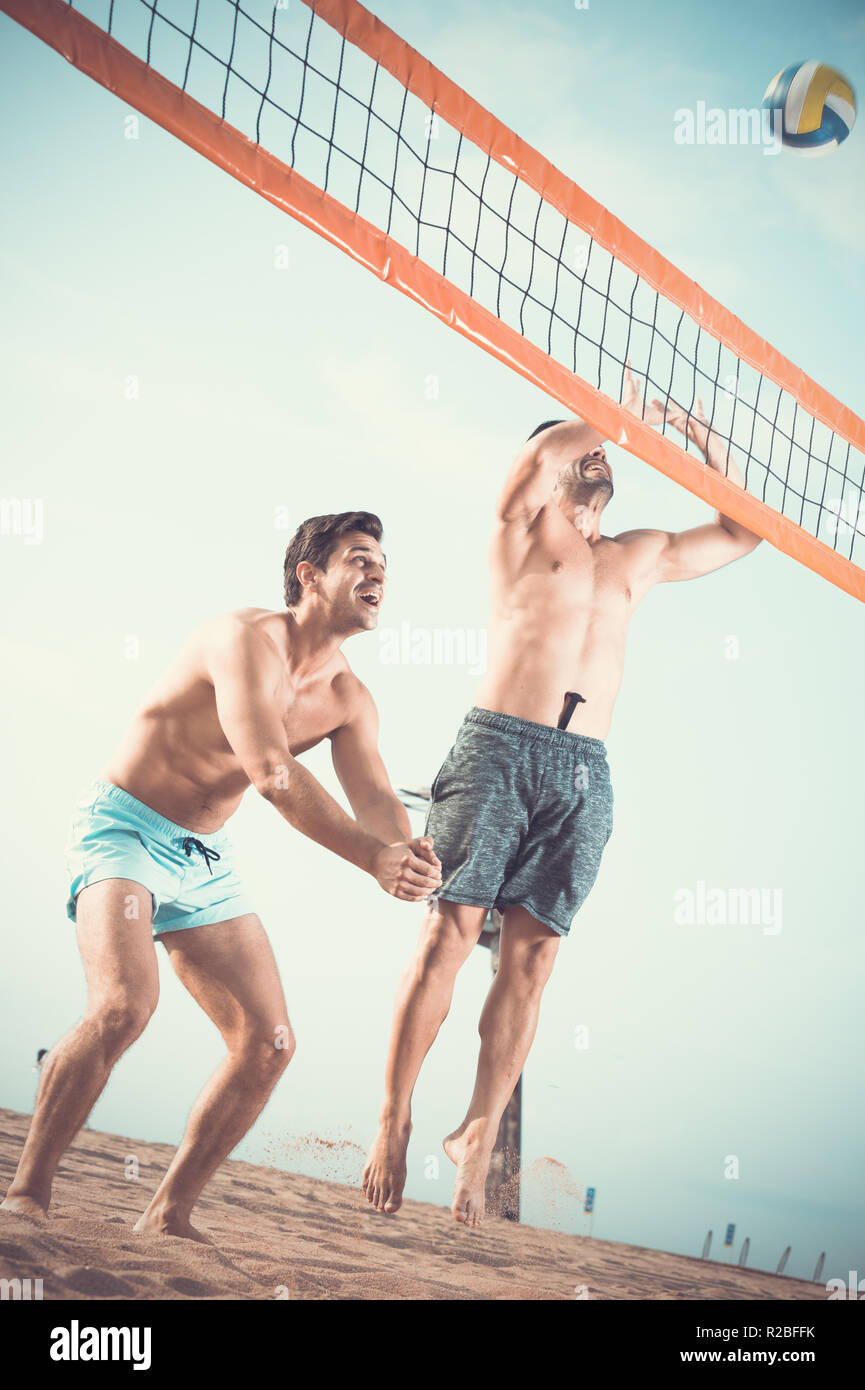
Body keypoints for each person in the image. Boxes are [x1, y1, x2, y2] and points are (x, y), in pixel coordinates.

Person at [362, 372, 762, 1227]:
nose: (599, 456)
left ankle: (474, 1135)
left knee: (534, 961)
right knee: (450, 931)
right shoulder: (518, 530)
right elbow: (542, 451)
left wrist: (697, 435)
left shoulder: (636, 553)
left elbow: (741, 530)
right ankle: (393, 1114)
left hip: (584, 771)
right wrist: (612, 413)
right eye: (586, 448)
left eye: (607, 451)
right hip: (499, 746)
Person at [2, 512, 441, 1241]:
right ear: (309, 575)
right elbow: (271, 772)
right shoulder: (240, 639)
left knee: (270, 1042)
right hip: (126, 829)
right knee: (124, 1004)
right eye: (359, 559)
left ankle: (167, 1213)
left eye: (384, 564)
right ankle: (27, 1191)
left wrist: (409, 854)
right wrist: (371, 859)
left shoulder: (348, 698)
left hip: (203, 858)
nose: (378, 574)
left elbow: (374, 800)